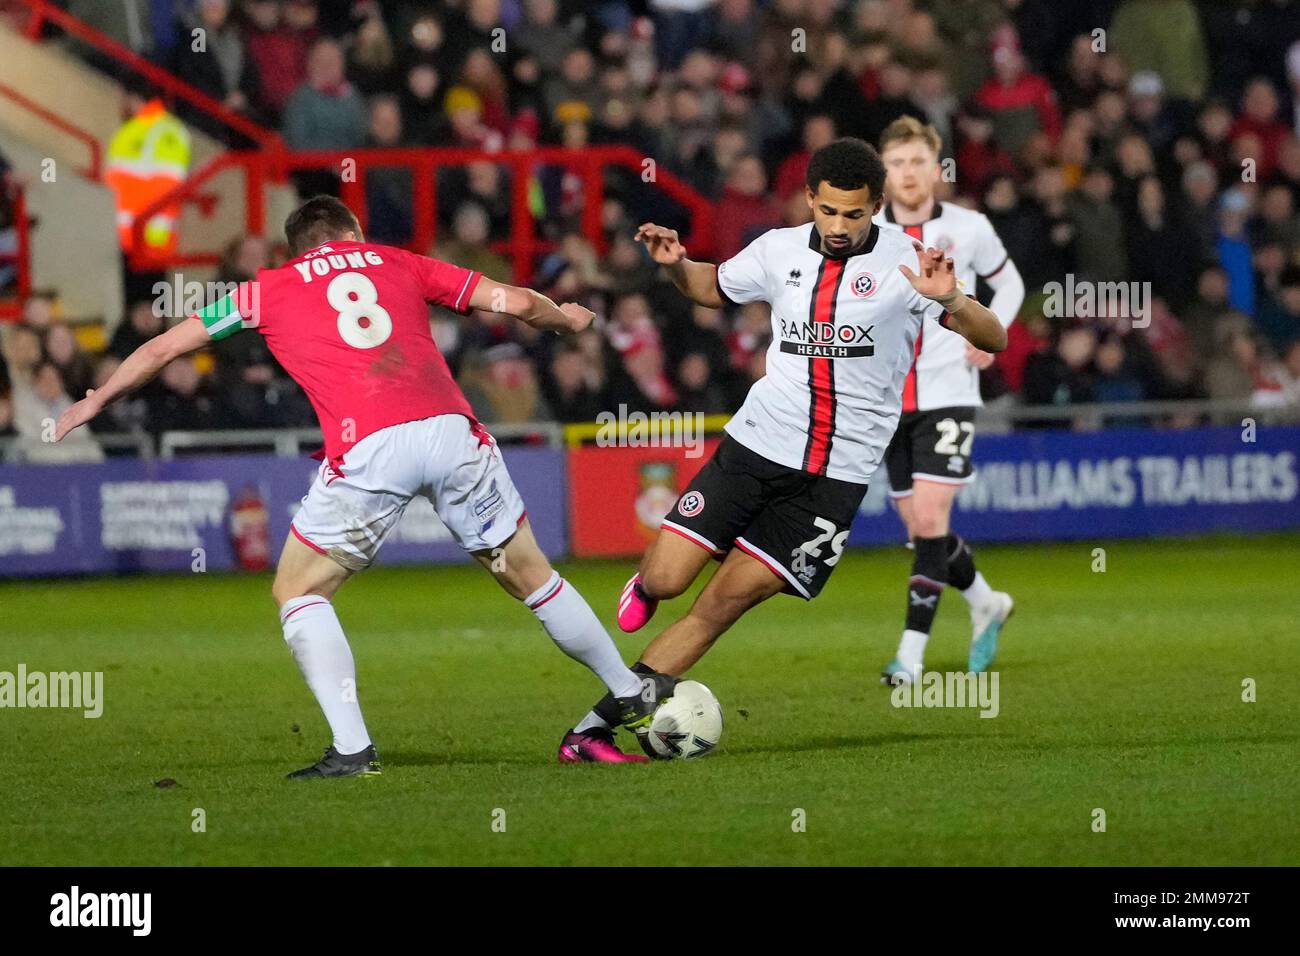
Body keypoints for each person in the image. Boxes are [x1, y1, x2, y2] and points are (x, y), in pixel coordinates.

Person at [55, 196, 654, 776]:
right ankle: (629, 692)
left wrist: (97, 399)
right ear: (352, 234)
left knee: (298, 589)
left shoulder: (266, 288)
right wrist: (567, 318)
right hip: (452, 429)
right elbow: (516, 300)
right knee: (534, 578)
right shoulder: (400, 261)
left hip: (370, 442)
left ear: (300, 249)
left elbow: (164, 347)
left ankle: (352, 749)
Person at [584, 138, 1008, 756]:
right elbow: (709, 288)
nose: (839, 226)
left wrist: (951, 299)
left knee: (719, 606)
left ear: (877, 207)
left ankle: (597, 725)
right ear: (810, 199)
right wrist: (676, 263)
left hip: (833, 481)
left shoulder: (912, 263)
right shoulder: (776, 249)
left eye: (854, 214)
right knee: (670, 579)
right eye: (828, 211)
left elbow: (991, 335)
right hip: (756, 448)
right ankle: (645, 586)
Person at [873, 116, 1024, 685]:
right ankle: (986, 601)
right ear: (883, 174)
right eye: (897, 164)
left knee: (933, 517)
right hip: (888, 399)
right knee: (921, 534)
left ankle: (909, 656)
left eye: (917, 162)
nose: (908, 174)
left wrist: (990, 338)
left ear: (937, 170)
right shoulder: (870, 235)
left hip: (949, 391)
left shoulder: (970, 226)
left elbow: (1009, 284)